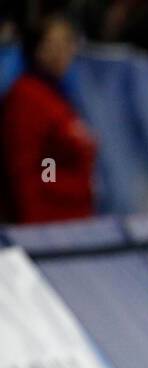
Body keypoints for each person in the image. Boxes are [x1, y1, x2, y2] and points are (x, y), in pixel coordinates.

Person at [0, 14, 97, 224]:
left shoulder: (58, 93)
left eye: (67, 42)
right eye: (54, 44)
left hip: (76, 219)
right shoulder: (27, 97)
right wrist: (50, 182)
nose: (63, 51)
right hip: (49, 223)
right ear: (37, 48)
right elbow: (29, 168)